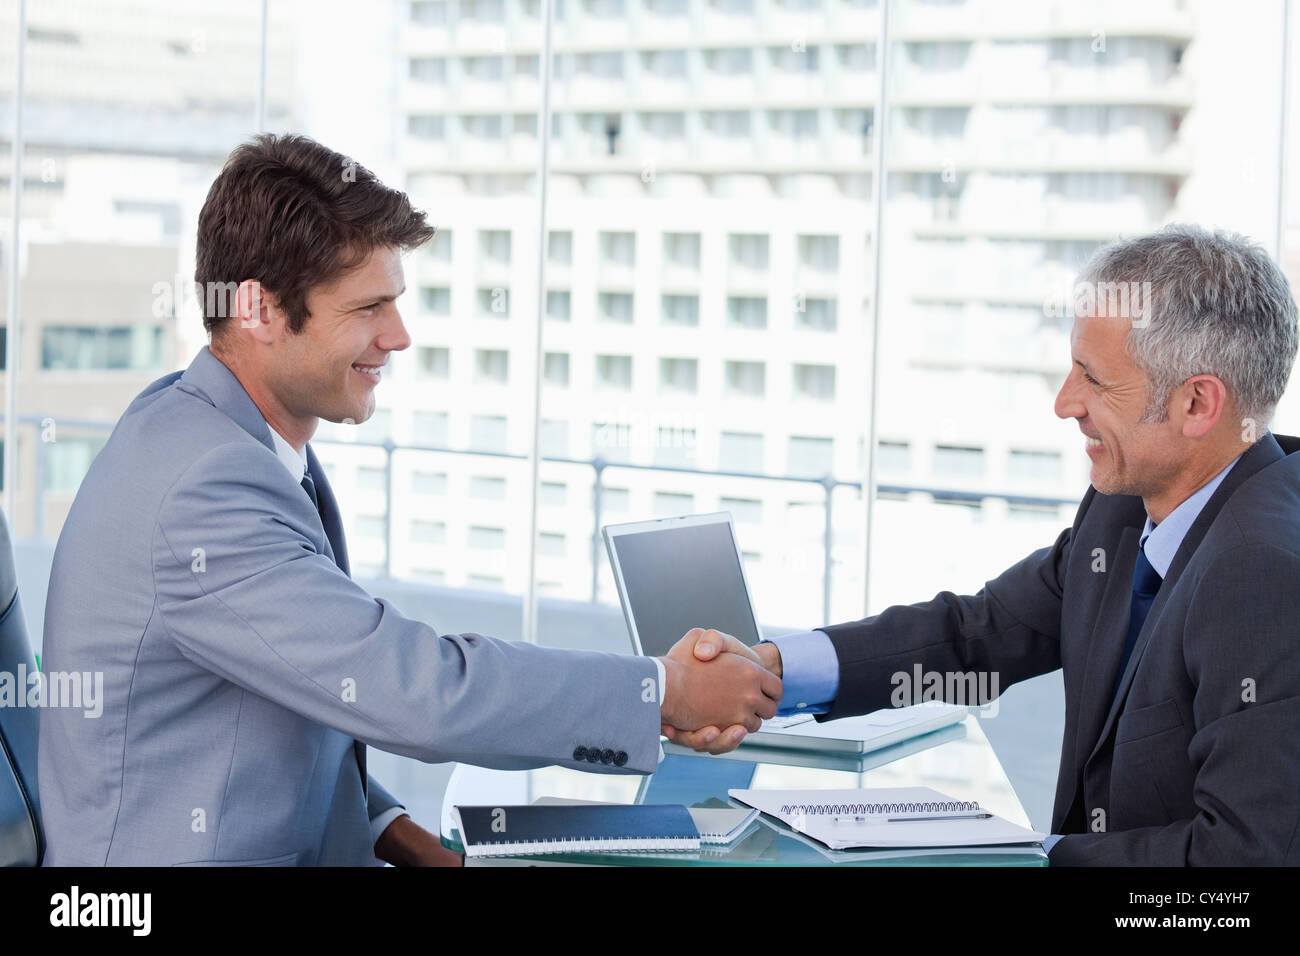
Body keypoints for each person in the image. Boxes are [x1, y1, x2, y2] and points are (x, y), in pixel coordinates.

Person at [36, 133, 779, 867]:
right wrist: (665, 691)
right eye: (368, 308)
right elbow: (413, 690)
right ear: (259, 310)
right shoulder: (205, 487)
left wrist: (401, 834)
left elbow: (300, 693)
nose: (398, 336)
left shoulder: (220, 434)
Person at [674, 224, 1300, 865]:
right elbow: (979, 633)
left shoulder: (1264, 570)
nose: (1065, 403)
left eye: (1095, 380)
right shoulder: (1123, 508)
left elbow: (1242, 861)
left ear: (1198, 404)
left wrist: (1021, 856)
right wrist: (771, 669)